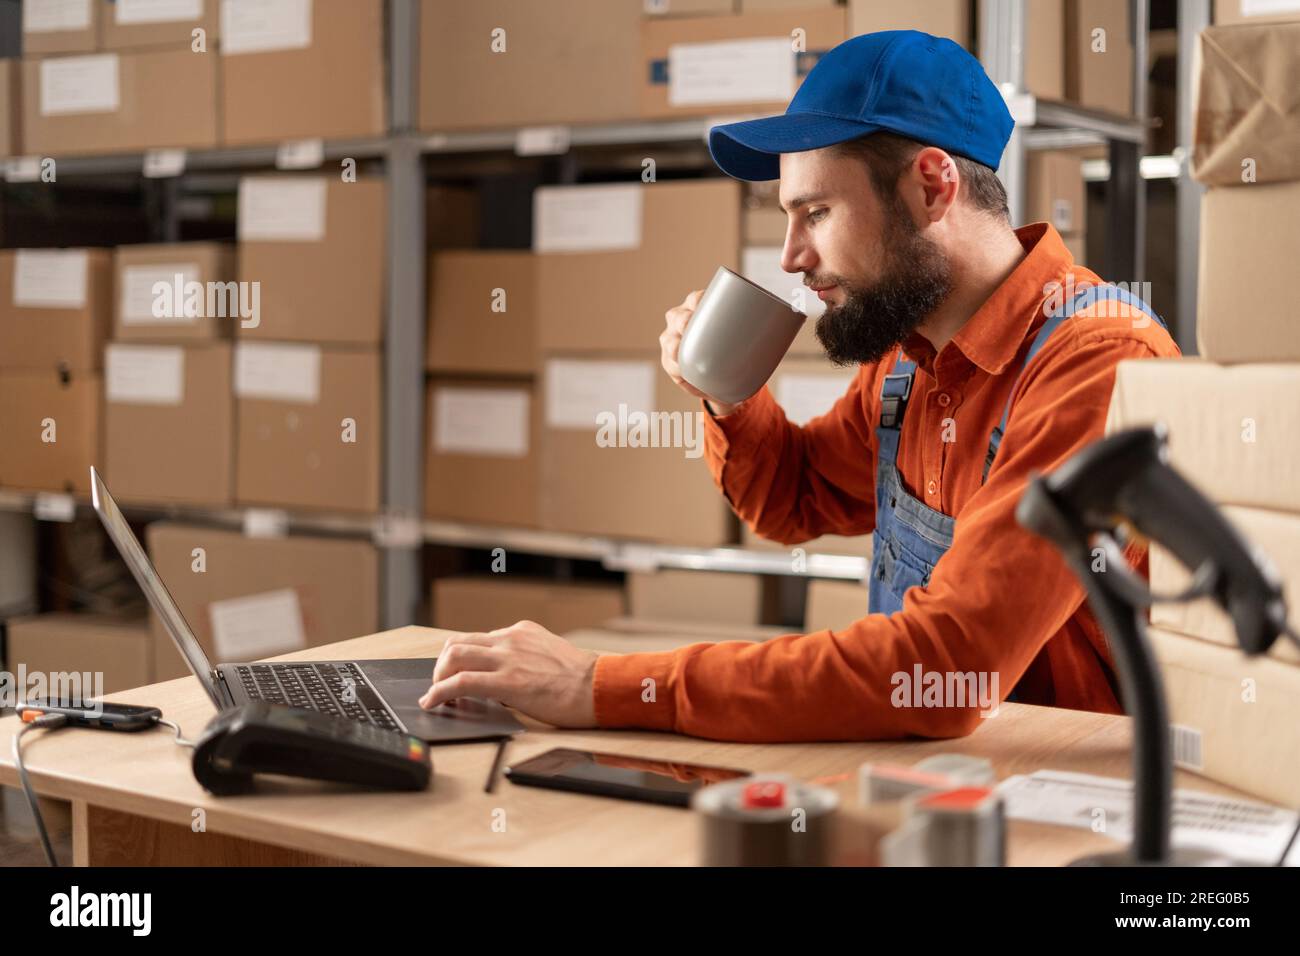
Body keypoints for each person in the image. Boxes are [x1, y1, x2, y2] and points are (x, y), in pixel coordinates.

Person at [418, 31, 1179, 742]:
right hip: (952, 775)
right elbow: (798, 498)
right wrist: (730, 394)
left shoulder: (1099, 362)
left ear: (931, 187)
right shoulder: (911, 350)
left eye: (814, 212)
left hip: (1075, 810)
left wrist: (605, 685)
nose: (789, 257)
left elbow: (949, 670)